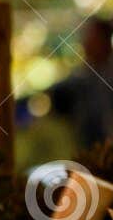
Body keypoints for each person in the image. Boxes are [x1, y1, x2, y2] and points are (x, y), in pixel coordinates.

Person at [47, 17, 113, 148]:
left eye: (93, 38)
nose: (86, 43)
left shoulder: (107, 74)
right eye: (86, 38)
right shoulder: (83, 75)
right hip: (89, 148)